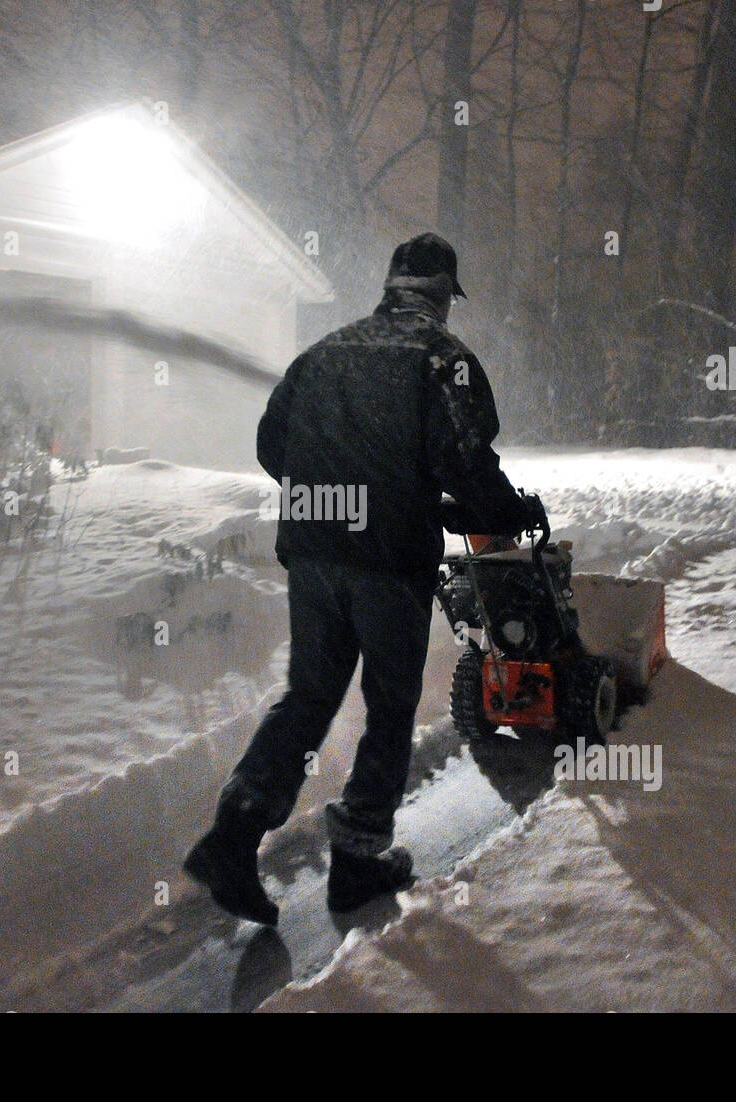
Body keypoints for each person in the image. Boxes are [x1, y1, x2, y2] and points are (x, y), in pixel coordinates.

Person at [184, 232, 533, 923]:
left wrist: (332, 492)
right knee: (390, 702)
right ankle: (358, 859)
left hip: (314, 553)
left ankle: (233, 834)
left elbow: (270, 443)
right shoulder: (442, 359)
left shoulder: (324, 351)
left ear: (391, 284)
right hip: (387, 560)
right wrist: (504, 510)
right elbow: (464, 459)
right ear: (441, 295)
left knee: (310, 695)